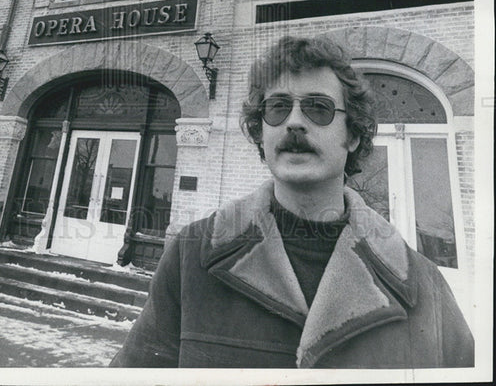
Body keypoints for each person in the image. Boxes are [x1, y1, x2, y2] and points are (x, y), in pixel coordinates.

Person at [110, 36, 474, 369]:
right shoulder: (192, 257)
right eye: (278, 108)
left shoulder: (422, 284)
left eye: (319, 108)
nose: (295, 122)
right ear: (261, 132)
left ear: (352, 135)